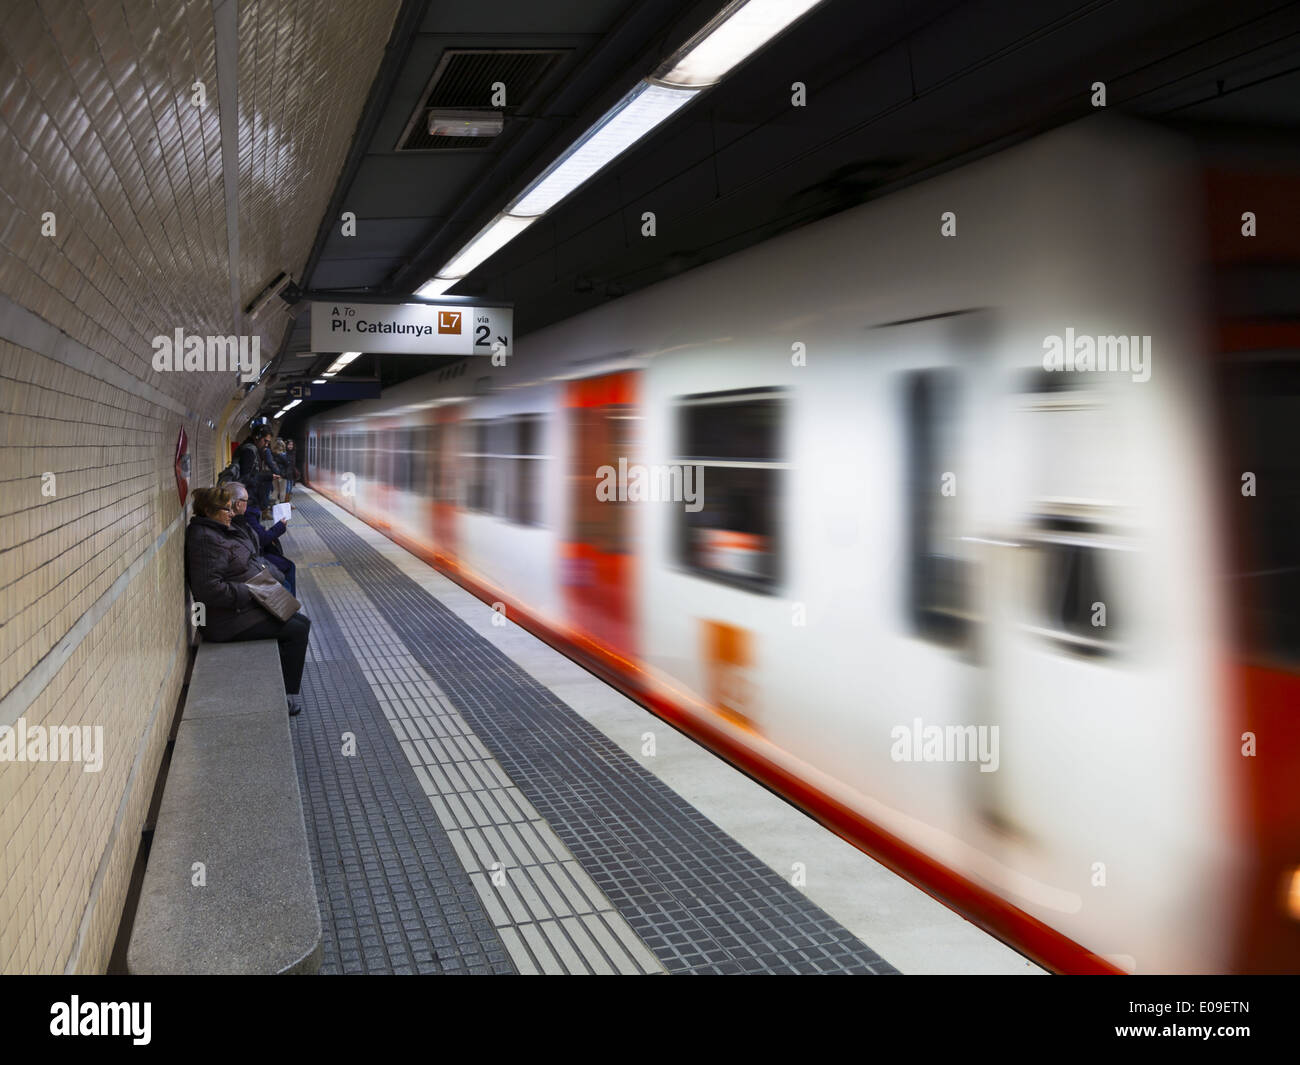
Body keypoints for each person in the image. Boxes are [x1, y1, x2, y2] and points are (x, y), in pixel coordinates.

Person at [186, 484, 311, 715]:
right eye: (227, 509)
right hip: (224, 621)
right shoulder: (205, 540)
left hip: (240, 608)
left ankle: (286, 687)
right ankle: (285, 695)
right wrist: (253, 591)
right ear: (210, 510)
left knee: (300, 621)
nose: (232, 513)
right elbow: (209, 591)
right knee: (297, 631)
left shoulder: (219, 531)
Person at [229, 480, 296, 595]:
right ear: (238, 504)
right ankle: (289, 608)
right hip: (254, 563)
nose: (228, 513)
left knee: (283, 573)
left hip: (253, 561)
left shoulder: (239, 519)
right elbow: (259, 541)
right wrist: (279, 526)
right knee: (286, 575)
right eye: (246, 500)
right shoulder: (243, 517)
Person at [237, 428, 274, 510]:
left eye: (268, 442)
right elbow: (246, 478)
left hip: (249, 498)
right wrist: (266, 476)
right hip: (248, 500)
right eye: (265, 441)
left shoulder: (252, 449)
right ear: (257, 437)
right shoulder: (249, 451)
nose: (266, 445)